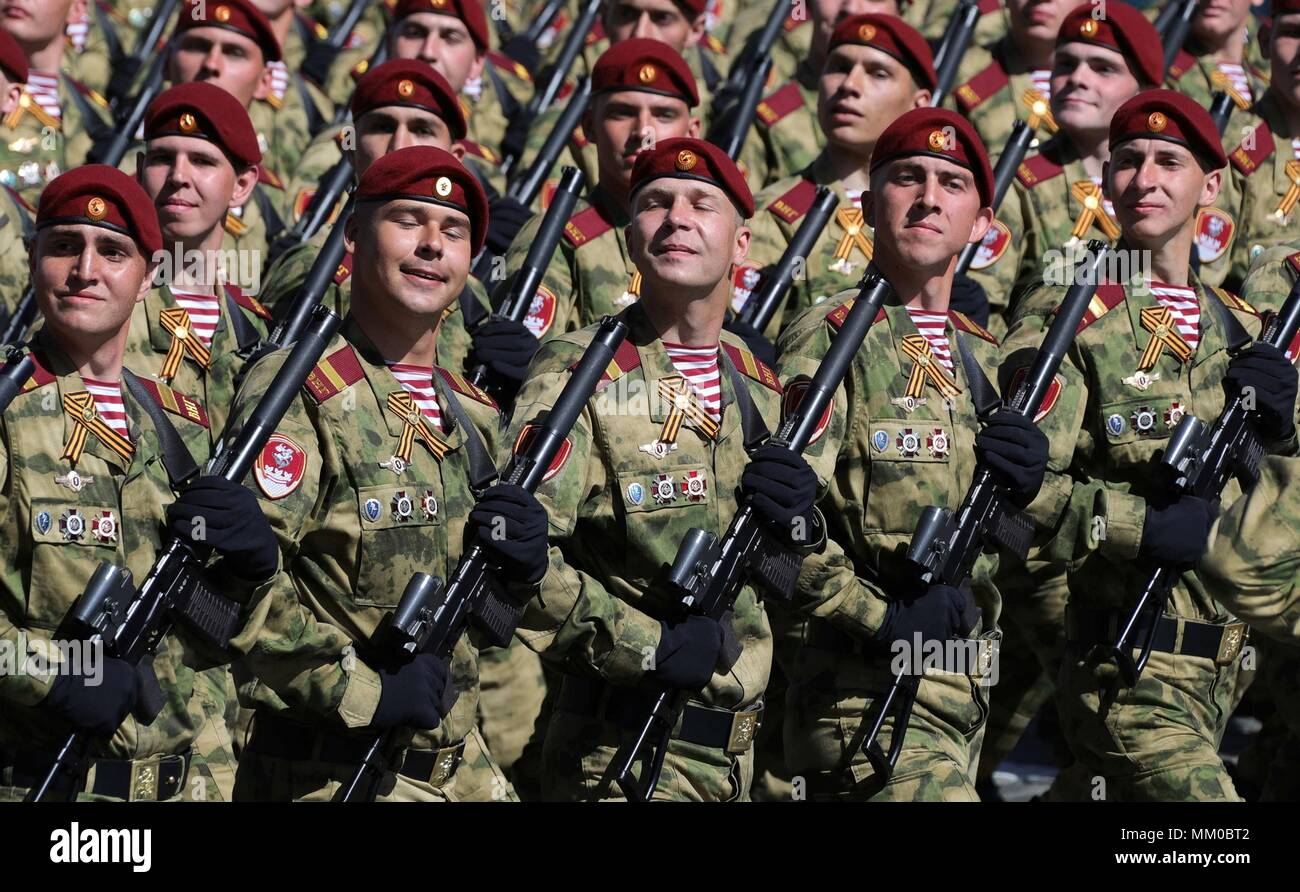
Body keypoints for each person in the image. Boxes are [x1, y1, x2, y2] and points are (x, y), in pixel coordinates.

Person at [1003, 90, 1298, 801]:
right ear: (1105, 181)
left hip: (1231, 662)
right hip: (1125, 660)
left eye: (1171, 161)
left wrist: (1285, 430)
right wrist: (1139, 525)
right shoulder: (1070, 315)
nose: (1146, 178)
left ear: (1213, 184)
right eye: (1129, 161)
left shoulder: (1240, 326)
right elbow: (1016, 493)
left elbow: (1274, 503)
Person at [508, 137, 811, 800]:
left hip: (734, 755)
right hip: (621, 753)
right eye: (654, 203)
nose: (677, 217)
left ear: (741, 244)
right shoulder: (579, 371)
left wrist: (802, 531)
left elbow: (784, 577)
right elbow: (517, 563)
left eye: (702, 203)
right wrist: (648, 645)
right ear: (629, 237)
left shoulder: (758, 383)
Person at [225, 146, 527, 802]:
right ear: (354, 236)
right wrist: (368, 692)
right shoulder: (299, 391)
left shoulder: (471, 412)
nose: (430, 246)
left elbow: (484, 623)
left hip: (457, 772)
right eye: (408, 221)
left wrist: (519, 580)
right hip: (330, 773)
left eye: (452, 231)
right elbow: (244, 588)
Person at [774, 107, 1048, 800]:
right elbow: (778, 528)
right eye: (907, 178)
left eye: (952, 184)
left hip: (960, 695)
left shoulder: (984, 357)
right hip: (857, 690)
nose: (929, 197)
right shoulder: (832, 338)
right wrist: (885, 620)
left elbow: (1023, 546)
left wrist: (1029, 496)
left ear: (983, 224)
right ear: (869, 206)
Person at [0, 165, 277, 801]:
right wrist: (58, 673)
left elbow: (228, 635)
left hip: (185, 786)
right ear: (33, 257)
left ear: (150, 275)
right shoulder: (9, 407)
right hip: (47, 786)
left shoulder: (183, 422)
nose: (86, 270)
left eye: (113, 251)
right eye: (65, 246)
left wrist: (251, 573)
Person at [130, 81, 274, 439]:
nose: (179, 176)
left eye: (202, 160)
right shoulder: (102, 309)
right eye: (163, 158)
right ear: (140, 170)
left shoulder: (257, 330)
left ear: (241, 185)